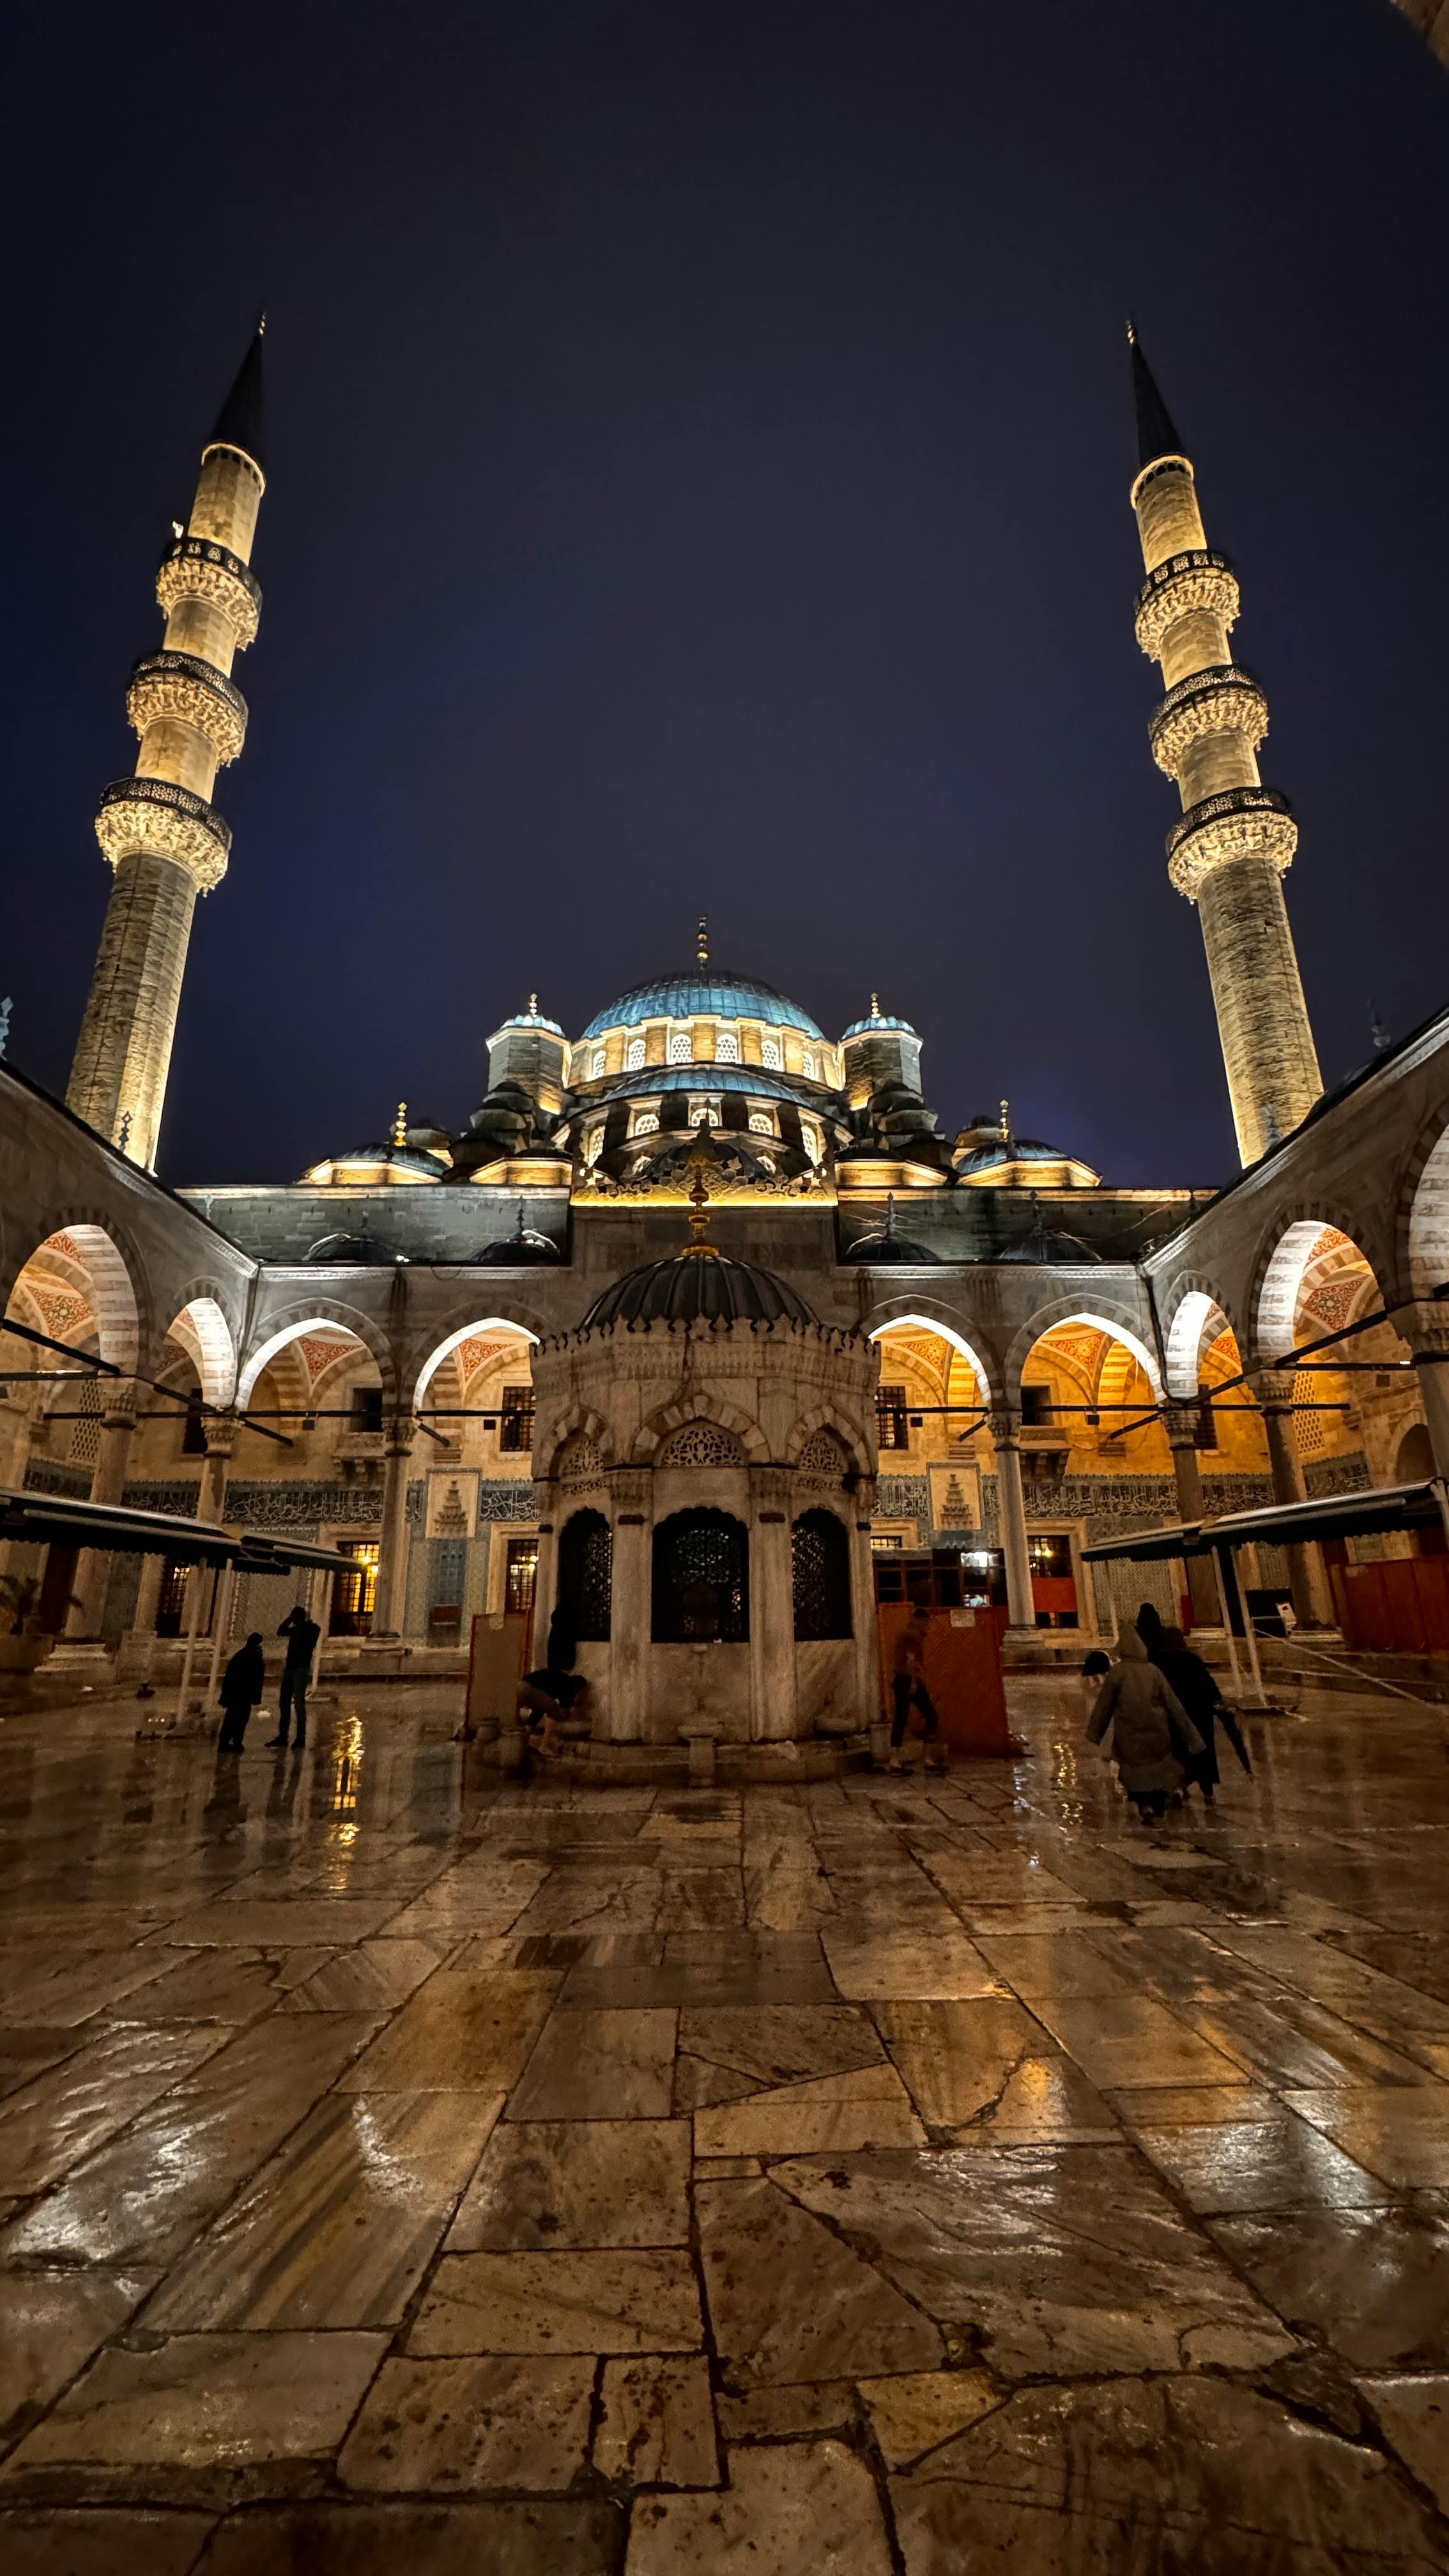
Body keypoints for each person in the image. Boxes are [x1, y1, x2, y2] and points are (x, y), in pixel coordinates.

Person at [1086, 1630, 1202, 1822]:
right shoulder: (1154, 1671)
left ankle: (1144, 1804)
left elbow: (1104, 1706)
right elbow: (1174, 1705)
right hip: (1157, 1728)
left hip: (1128, 1731)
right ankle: (1158, 1802)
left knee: (1135, 1770)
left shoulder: (1118, 1673)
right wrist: (1192, 1737)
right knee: (1158, 1768)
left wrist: (1095, 1732)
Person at [518, 1605, 590, 1760]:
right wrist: (571, 1710)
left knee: (544, 1706)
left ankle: (521, 1742)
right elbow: (563, 1711)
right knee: (553, 1711)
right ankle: (545, 1745)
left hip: (520, 1686)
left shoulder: (554, 1630)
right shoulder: (565, 1684)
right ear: (577, 1689)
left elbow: (539, 1708)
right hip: (528, 1689)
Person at [888, 1607, 946, 1774]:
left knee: (901, 1717)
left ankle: (896, 1759)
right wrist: (914, 1681)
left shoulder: (906, 1634)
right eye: (925, 1622)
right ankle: (925, 1758)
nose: (926, 1626)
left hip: (902, 1679)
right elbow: (910, 1658)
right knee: (930, 1715)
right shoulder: (913, 1636)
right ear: (920, 1620)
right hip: (908, 1679)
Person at [268, 1604, 319, 1751]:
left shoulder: (311, 1629)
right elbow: (280, 1631)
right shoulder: (296, 1630)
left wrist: (299, 1622)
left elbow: (312, 1634)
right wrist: (290, 1619)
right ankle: (283, 1736)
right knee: (284, 1703)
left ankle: (300, 1737)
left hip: (301, 1670)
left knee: (298, 1703)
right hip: (290, 1669)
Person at [217, 1632, 266, 1752]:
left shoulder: (241, 1656)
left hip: (238, 1695)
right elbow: (256, 1679)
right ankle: (233, 1742)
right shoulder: (252, 1658)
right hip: (242, 1695)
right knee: (239, 1719)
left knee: (233, 1718)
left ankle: (229, 1742)